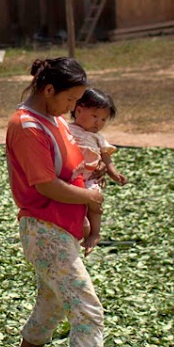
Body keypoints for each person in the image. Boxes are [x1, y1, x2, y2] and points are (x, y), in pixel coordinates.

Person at [3, 57, 129, 347]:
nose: (74, 108)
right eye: (71, 99)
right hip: (45, 229)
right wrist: (89, 196)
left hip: (62, 228)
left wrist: (95, 175)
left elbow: (74, 164)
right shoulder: (28, 126)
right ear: (48, 90)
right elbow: (44, 184)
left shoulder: (54, 119)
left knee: (50, 306)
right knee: (87, 309)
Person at [67, 88, 126, 254]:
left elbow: (106, 157)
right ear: (78, 110)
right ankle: (82, 233)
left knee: (94, 202)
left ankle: (94, 233)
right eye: (95, 116)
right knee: (77, 207)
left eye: (103, 119)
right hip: (71, 177)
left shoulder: (98, 138)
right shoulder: (67, 129)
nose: (98, 123)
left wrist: (113, 173)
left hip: (90, 177)